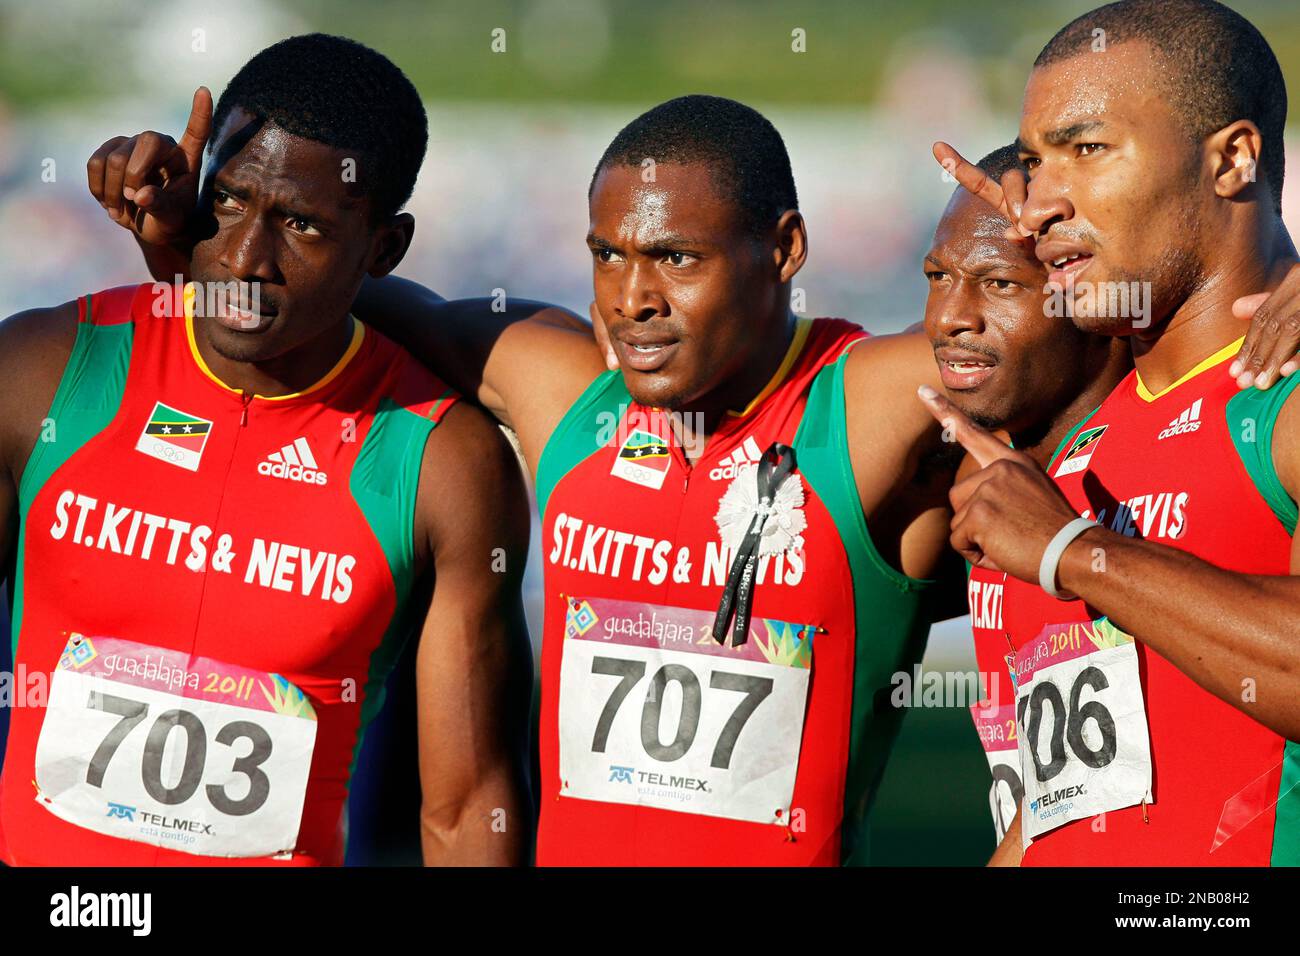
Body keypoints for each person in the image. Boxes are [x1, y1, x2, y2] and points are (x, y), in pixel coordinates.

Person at [0, 34, 534, 866]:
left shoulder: (442, 462)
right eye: (229, 202)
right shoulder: (43, 372)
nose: (246, 260)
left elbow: (467, 811)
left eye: (302, 226)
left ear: (385, 249)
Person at [925, 0, 1300, 865]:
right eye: (1033, 164)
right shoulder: (1082, 435)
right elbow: (1064, 804)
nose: (1035, 209)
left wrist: (1074, 552)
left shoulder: (1281, 395)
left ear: (1233, 159)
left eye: (1088, 150)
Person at [921, 144, 1132, 848]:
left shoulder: (1179, 441)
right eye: (938, 276)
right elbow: (1058, 796)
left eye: (1000, 284)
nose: (950, 317)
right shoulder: (975, 470)